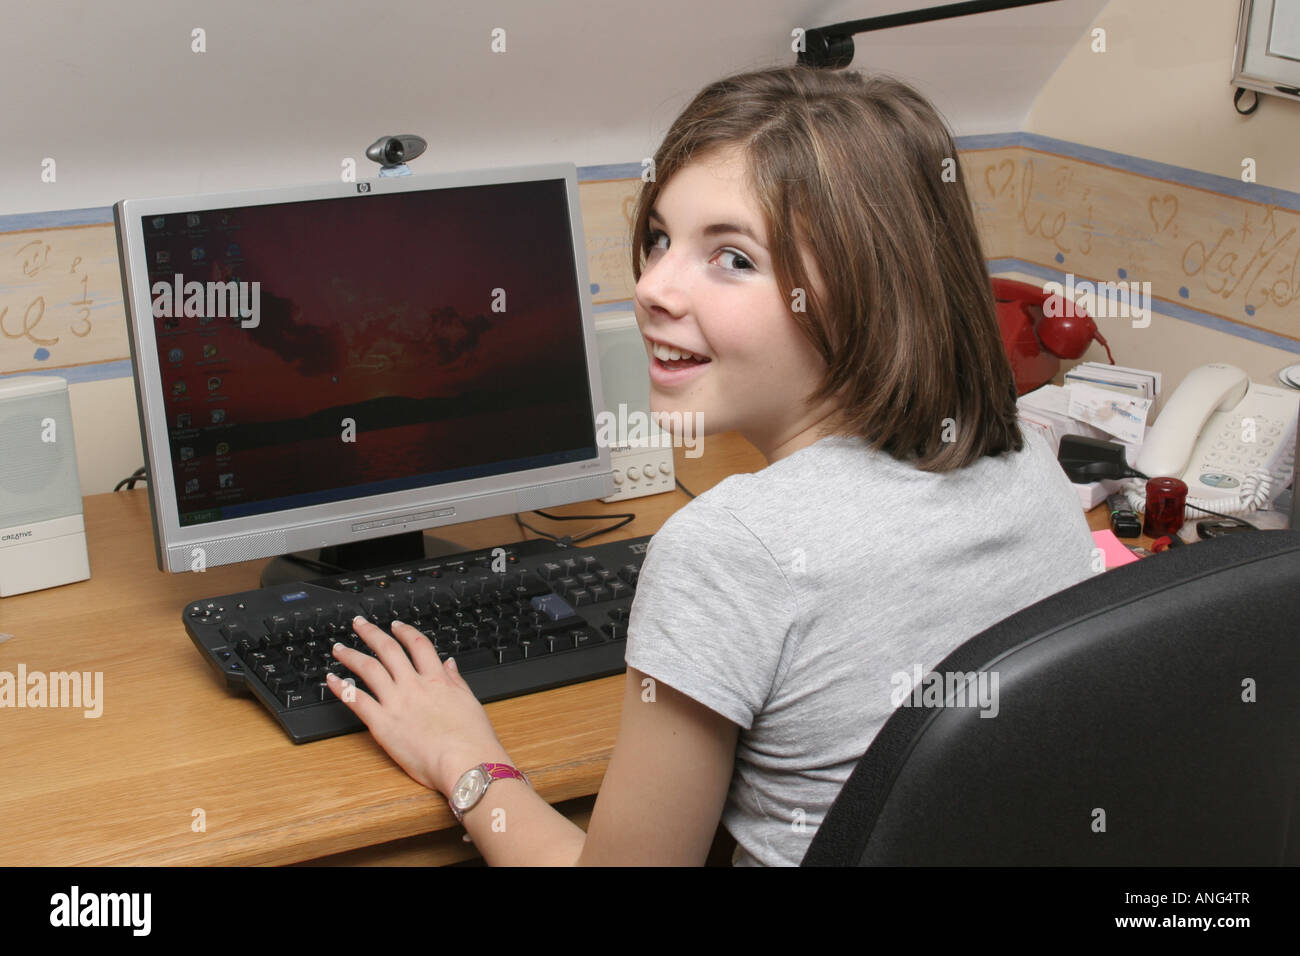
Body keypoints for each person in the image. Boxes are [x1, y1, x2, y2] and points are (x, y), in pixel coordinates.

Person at [325, 65, 1097, 866]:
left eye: (732, 258)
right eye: (659, 239)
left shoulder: (726, 550)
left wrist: (465, 761)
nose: (654, 286)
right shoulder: (1027, 460)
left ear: (872, 289)